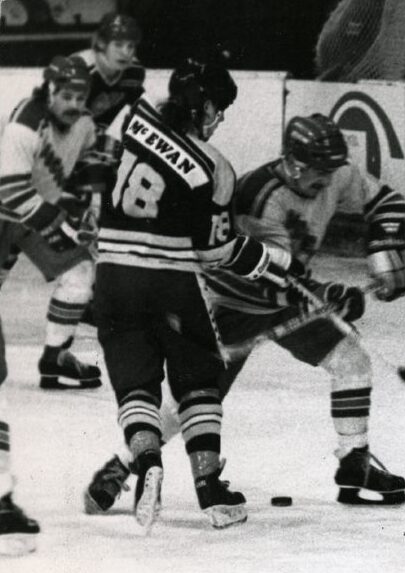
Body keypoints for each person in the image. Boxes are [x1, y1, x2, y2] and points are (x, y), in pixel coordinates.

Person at [83, 112, 405, 514]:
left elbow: (387, 200)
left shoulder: (336, 175)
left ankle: (355, 463)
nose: (327, 181)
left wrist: (386, 241)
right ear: (294, 163)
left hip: (286, 301)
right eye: (318, 171)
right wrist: (324, 294)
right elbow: (259, 275)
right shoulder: (260, 197)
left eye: (331, 171)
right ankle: (118, 467)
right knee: (196, 400)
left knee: (352, 362)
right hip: (230, 305)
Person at [89, 50, 305, 530]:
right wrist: (275, 263)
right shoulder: (215, 167)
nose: (222, 117)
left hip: (112, 276)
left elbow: (96, 179)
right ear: (202, 106)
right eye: (220, 107)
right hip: (168, 280)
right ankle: (210, 489)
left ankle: (147, 466)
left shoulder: (132, 120)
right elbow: (215, 253)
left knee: (136, 384)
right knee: (199, 378)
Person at [0, 56, 107, 391]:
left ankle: (55, 358)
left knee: (79, 269)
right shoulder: (26, 123)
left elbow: (91, 158)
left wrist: (90, 203)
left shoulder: (84, 122)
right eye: (66, 97)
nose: (74, 105)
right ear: (49, 91)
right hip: (6, 211)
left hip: (31, 214)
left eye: (80, 98)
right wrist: (62, 222)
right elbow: (11, 191)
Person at [71, 12, 147, 130]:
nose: (126, 53)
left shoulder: (135, 72)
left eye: (130, 46)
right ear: (101, 43)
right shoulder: (77, 68)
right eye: (118, 45)